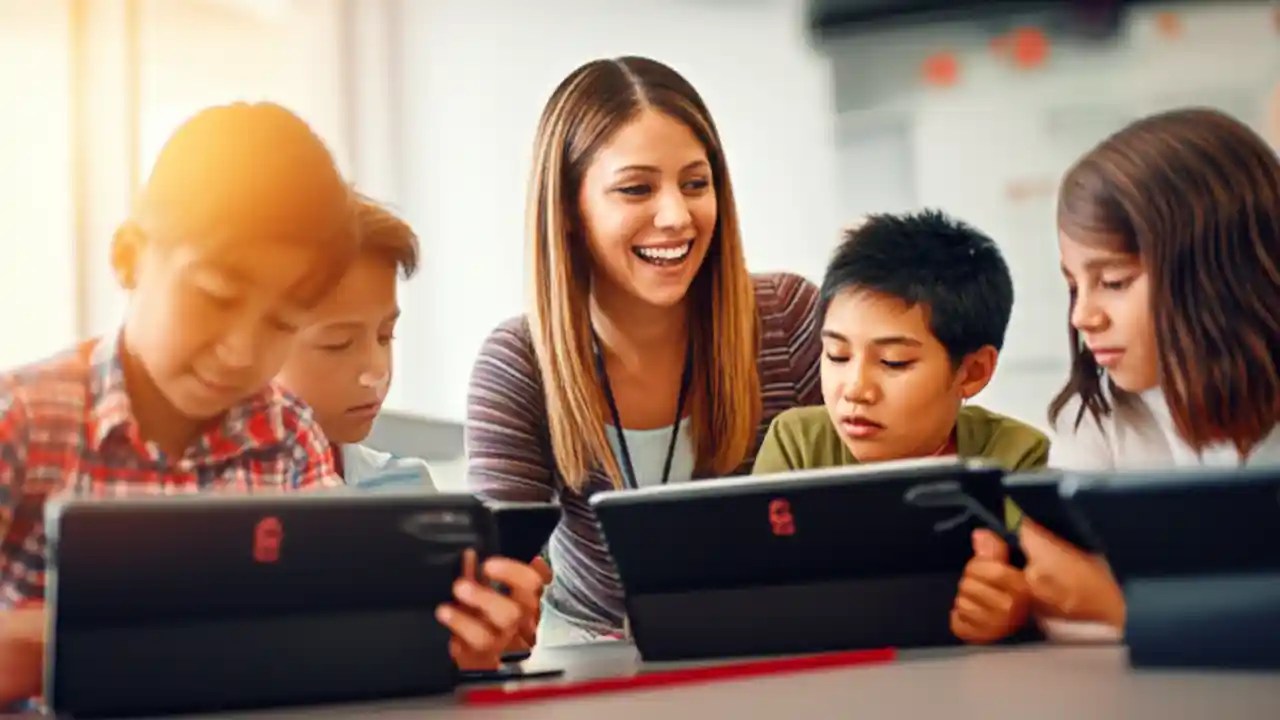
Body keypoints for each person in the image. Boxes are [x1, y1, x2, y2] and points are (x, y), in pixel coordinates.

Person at [0, 102, 358, 707]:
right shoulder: (26, 421)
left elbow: (332, 619)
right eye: (216, 296)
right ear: (128, 255)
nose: (242, 350)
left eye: (281, 323)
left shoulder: (290, 435)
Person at [465, 56, 822, 644]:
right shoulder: (520, 363)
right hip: (593, 658)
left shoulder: (787, 319)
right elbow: (496, 582)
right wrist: (496, 620)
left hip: (769, 646)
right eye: (636, 188)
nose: (677, 216)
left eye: (695, 184)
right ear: (570, 211)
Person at [1009, 108, 1278, 631]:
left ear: (1217, 277)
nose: (1082, 315)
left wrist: (1122, 607)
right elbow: (1062, 602)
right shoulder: (1098, 419)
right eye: (1073, 285)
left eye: (1113, 280)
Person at [751, 209, 1049, 644]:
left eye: (893, 362)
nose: (854, 389)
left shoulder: (1012, 456)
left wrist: (1018, 608)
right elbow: (757, 588)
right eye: (836, 355)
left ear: (973, 371)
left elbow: (1040, 590)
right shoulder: (797, 442)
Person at [275, 195, 550, 664]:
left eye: (386, 336)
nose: (376, 371)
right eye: (338, 344)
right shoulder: (217, 504)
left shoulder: (411, 491)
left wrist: (492, 650)